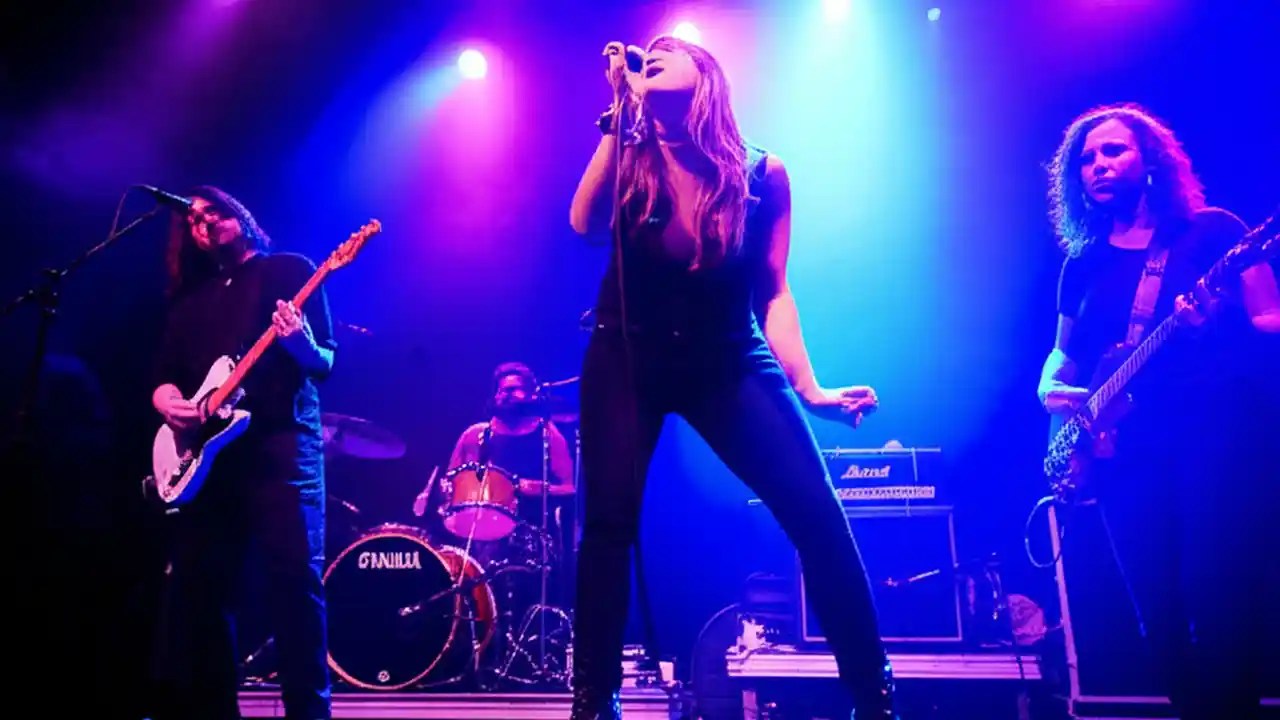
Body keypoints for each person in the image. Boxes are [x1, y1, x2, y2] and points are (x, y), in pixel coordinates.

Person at [567, 37, 894, 720]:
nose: (650, 55)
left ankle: (874, 697)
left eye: (667, 51)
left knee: (817, 514)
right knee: (608, 525)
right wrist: (618, 118)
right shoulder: (631, 151)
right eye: (647, 55)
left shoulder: (761, 173)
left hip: (726, 357)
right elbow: (584, 224)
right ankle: (594, 701)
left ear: (706, 74)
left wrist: (810, 388)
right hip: (627, 354)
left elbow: (773, 291)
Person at [1038, 103, 1280, 720]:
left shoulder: (1216, 233)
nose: (1099, 165)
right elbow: (1065, 352)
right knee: (1157, 614)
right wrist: (1049, 387)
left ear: (1150, 161)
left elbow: (1271, 320)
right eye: (1086, 159)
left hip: (1215, 437)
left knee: (1219, 595)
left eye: (1113, 151)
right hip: (1126, 451)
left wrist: (1219, 321)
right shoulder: (1083, 263)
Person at [149, 186, 336, 720]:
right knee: (202, 590)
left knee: (295, 585)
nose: (205, 222)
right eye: (193, 219)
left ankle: (308, 713)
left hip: (281, 449)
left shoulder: (289, 270)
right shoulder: (190, 300)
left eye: (215, 211)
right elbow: (164, 377)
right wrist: (169, 403)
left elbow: (324, 361)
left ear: (242, 216)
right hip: (209, 461)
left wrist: (298, 343)